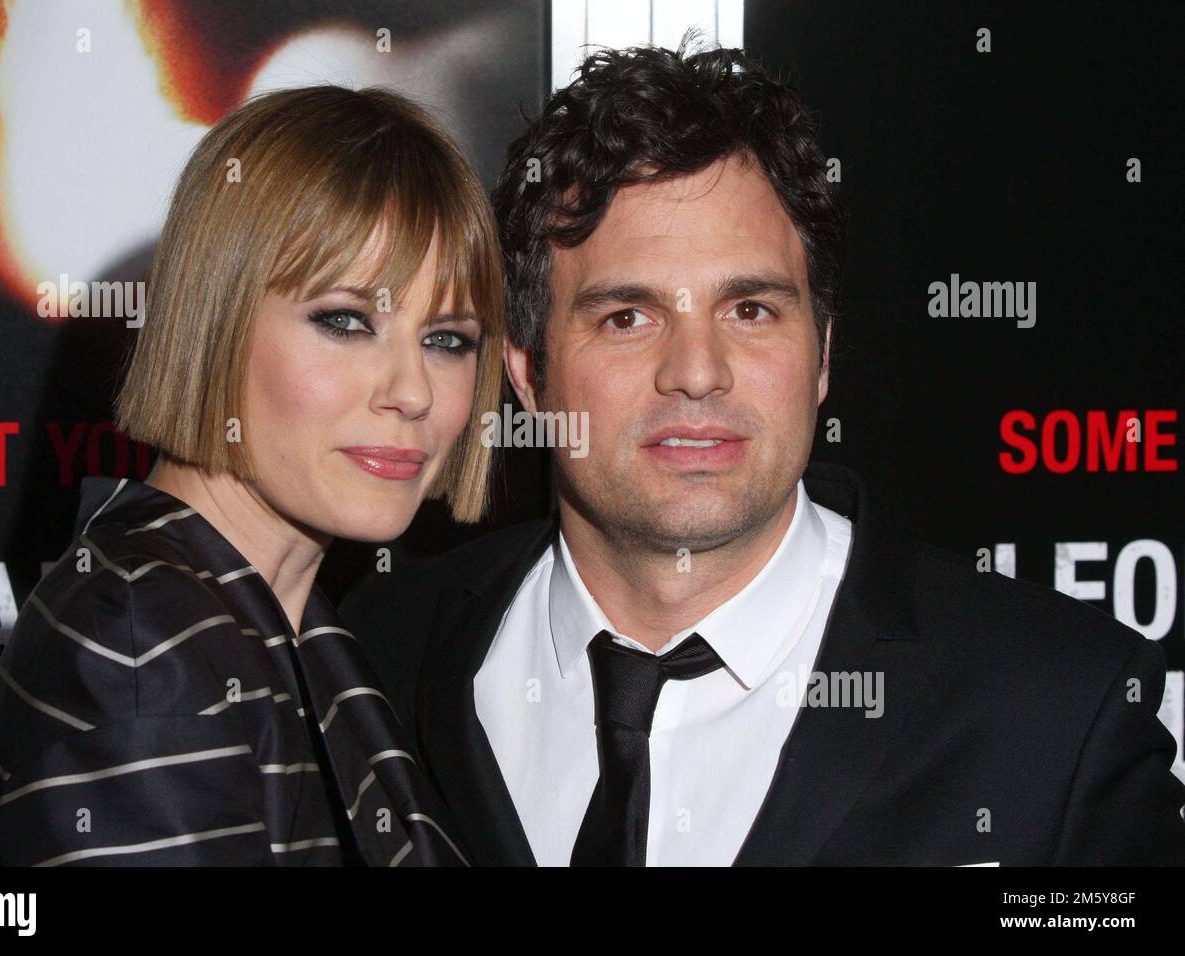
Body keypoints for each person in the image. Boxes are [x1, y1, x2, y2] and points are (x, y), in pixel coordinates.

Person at [340, 41, 1185, 865]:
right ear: (528, 374)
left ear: (821, 356)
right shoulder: (371, 662)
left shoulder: (1059, 711)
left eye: (750, 309)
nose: (697, 374)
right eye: (626, 317)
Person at [0, 84, 503, 866]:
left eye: (448, 339)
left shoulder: (287, 619)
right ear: (214, 321)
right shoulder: (143, 643)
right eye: (345, 322)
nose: (412, 391)